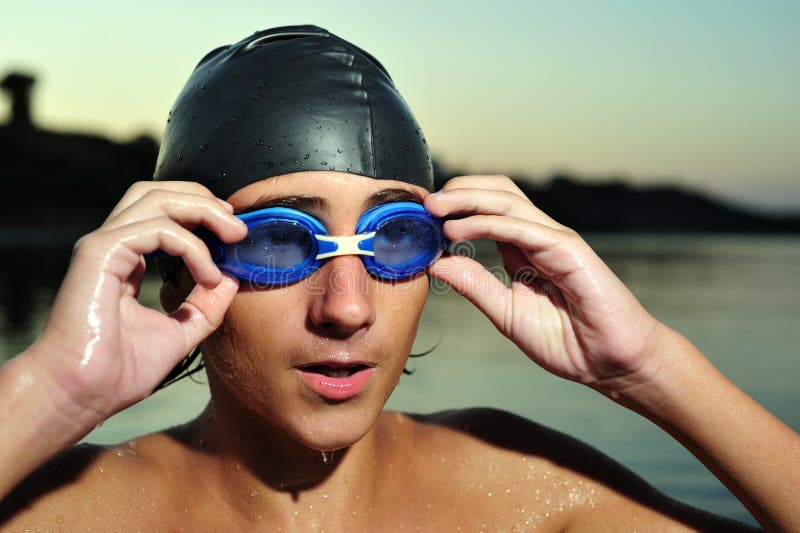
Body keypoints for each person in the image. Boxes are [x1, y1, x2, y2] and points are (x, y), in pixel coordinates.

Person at [0, 26, 797, 531]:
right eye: (281, 241)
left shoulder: (530, 499)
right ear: (180, 274)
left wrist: (650, 368)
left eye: (394, 237)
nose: (349, 310)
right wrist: (53, 392)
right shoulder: (69, 513)